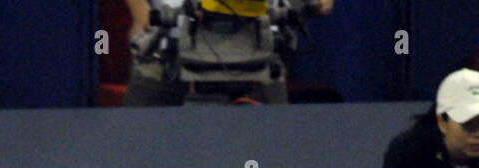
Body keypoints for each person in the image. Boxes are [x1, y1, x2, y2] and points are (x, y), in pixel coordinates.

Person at [123, 0, 334, 107]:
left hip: (260, 56)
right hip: (165, 54)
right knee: (138, 158)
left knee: (268, 163)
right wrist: (138, 9)